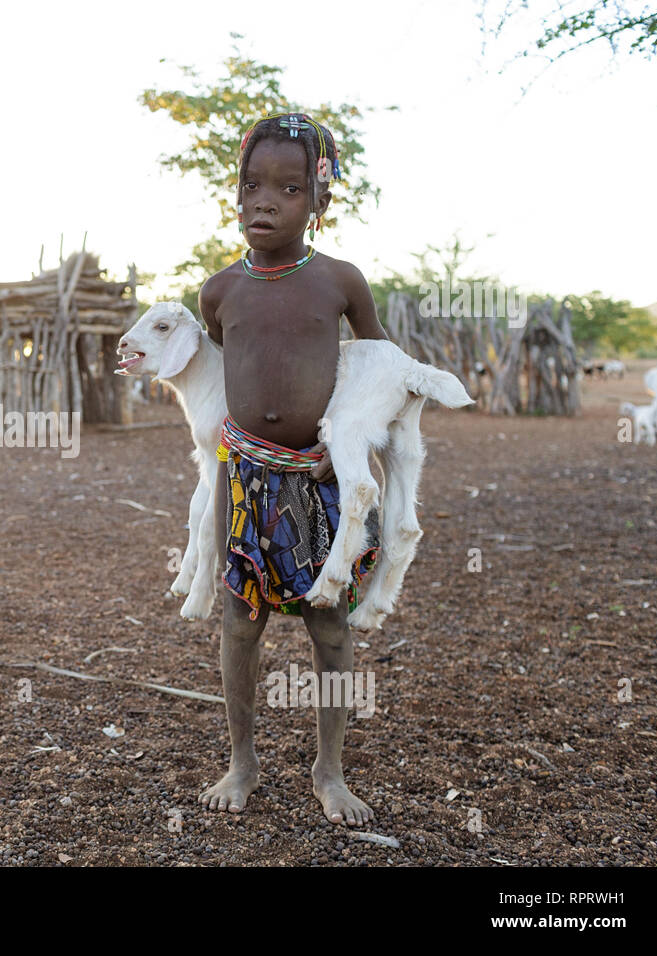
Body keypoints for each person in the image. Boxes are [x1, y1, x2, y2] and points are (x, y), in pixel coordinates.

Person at [198, 112, 388, 826]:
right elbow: (228, 364)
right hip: (246, 477)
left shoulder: (340, 282)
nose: (264, 201)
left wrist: (359, 448)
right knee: (241, 619)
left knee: (330, 622)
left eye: (288, 187)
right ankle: (242, 759)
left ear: (319, 198)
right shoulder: (219, 291)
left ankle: (329, 770)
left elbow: (377, 365)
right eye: (251, 185)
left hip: (322, 479)